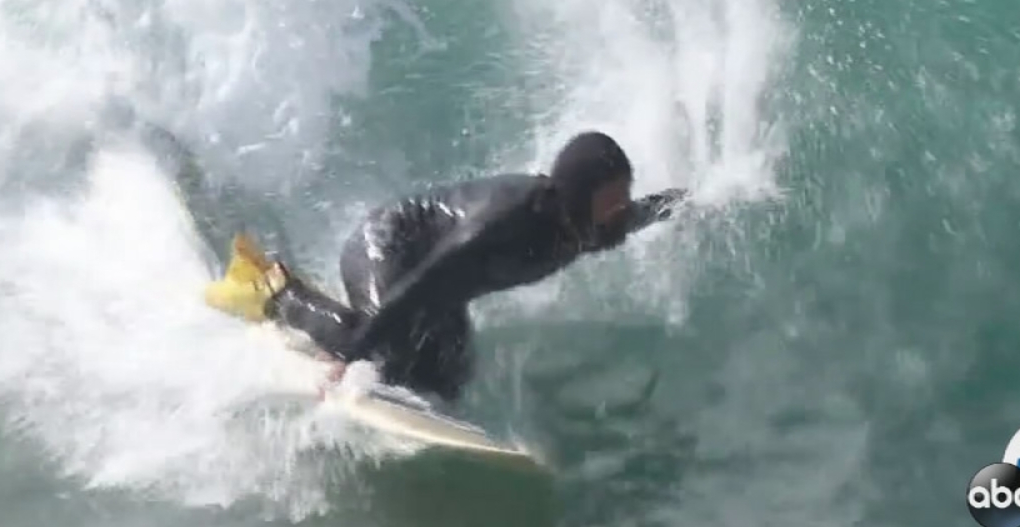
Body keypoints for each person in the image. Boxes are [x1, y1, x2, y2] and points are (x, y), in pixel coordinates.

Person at [206, 131, 688, 404]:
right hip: (390, 247)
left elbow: (647, 212)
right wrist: (356, 354)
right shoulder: (506, 220)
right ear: (578, 195)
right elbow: (424, 284)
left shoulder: (593, 227)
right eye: (612, 199)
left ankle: (367, 345)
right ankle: (274, 287)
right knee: (379, 347)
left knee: (445, 382)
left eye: (623, 196)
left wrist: (693, 197)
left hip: (441, 288)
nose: (620, 208)